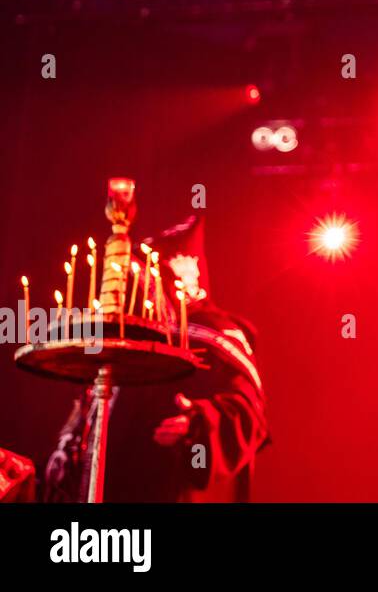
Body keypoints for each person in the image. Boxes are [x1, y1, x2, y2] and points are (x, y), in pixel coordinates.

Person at [42, 215, 269, 502]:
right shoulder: (136, 332)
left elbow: (247, 411)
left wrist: (197, 422)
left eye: (152, 276)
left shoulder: (217, 334)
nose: (145, 286)